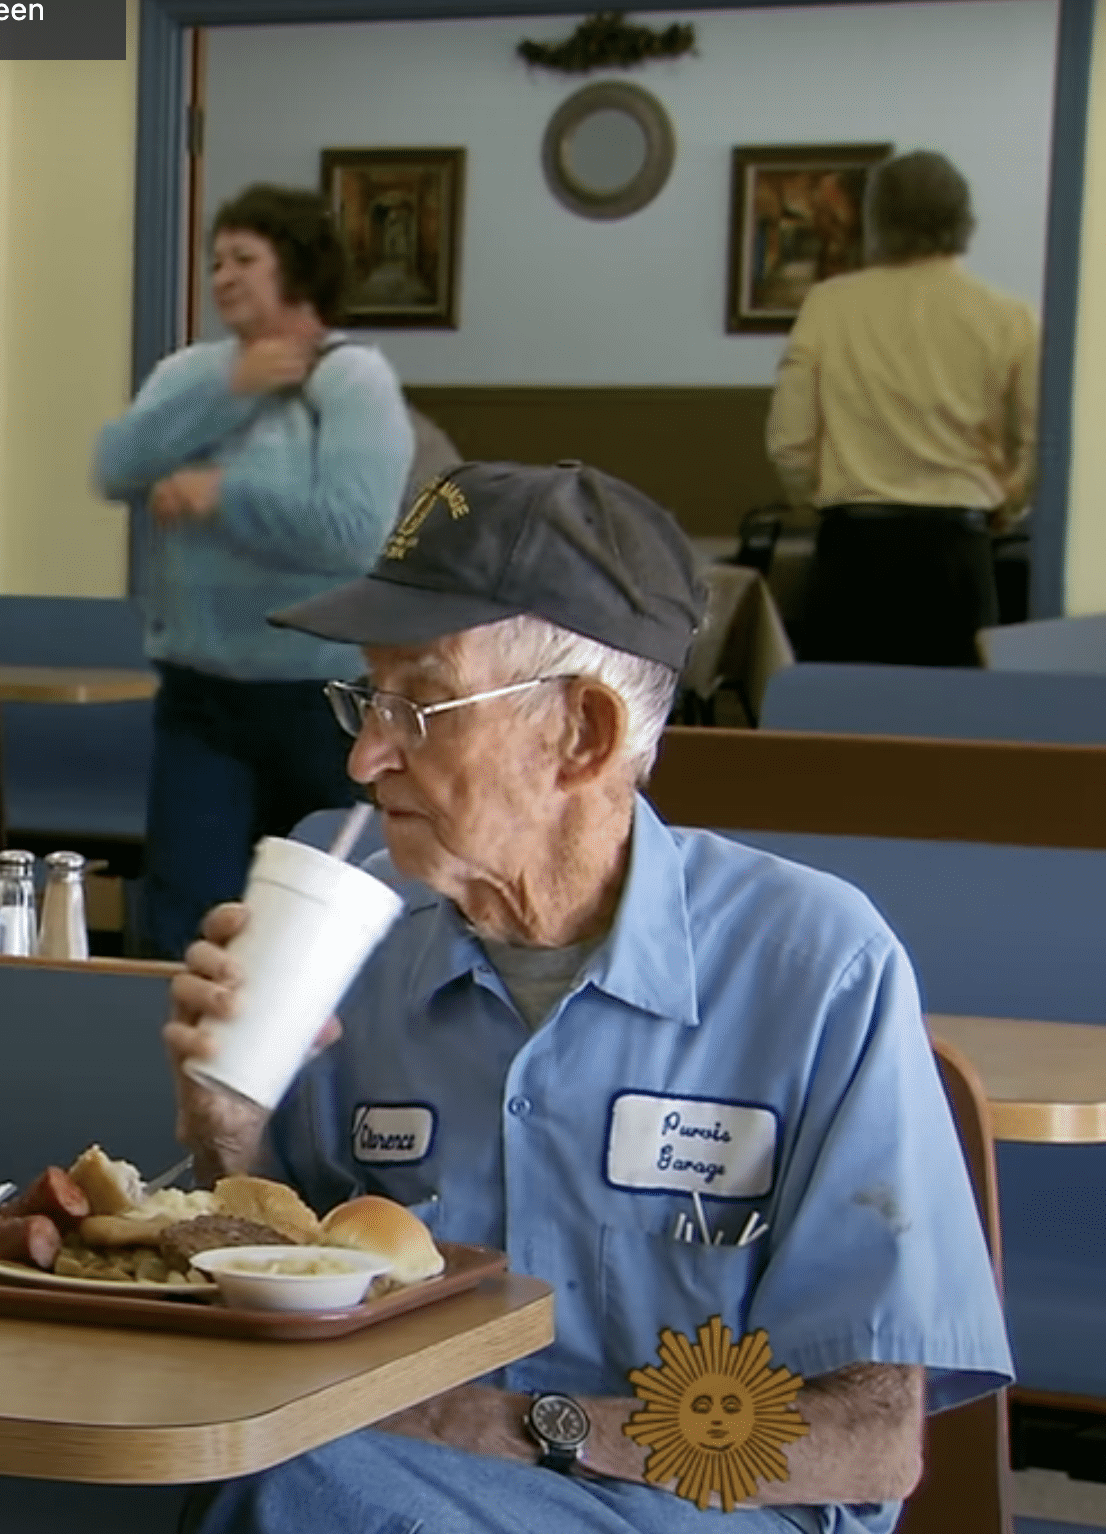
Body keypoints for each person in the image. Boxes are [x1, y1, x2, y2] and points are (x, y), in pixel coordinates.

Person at [167, 461, 1011, 1534]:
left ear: (584, 734)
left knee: (295, 1493)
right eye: (366, 697)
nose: (364, 753)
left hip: (704, 1510)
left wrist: (518, 1429)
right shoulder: (354, 941)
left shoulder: (815, 964)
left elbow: (868, 1438)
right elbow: (271, 1324)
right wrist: (225, 1131)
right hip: (391, 1487)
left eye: (419, 704)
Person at [94, 184, 414, 961]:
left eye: (245, 258)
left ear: (296, 267)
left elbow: (351, 533)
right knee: (184, 917)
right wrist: (227, 388)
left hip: (318, 702)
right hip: (200, 697)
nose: (223, 275)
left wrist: (219, 494)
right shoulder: (188, 375)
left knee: (308, 924)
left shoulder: (351, 381)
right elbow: (117, 465)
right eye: (216, 260)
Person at [768, 150, 1039, 667]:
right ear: (965, 221)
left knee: (842, 726)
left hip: (854, 550)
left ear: (875, 220)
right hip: (958, 551)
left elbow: (790, 443)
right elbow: (1035, 444)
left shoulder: (829, 306)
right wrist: (1006, 502)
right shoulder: (1010, 318)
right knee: (955, 730)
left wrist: (815, 498)